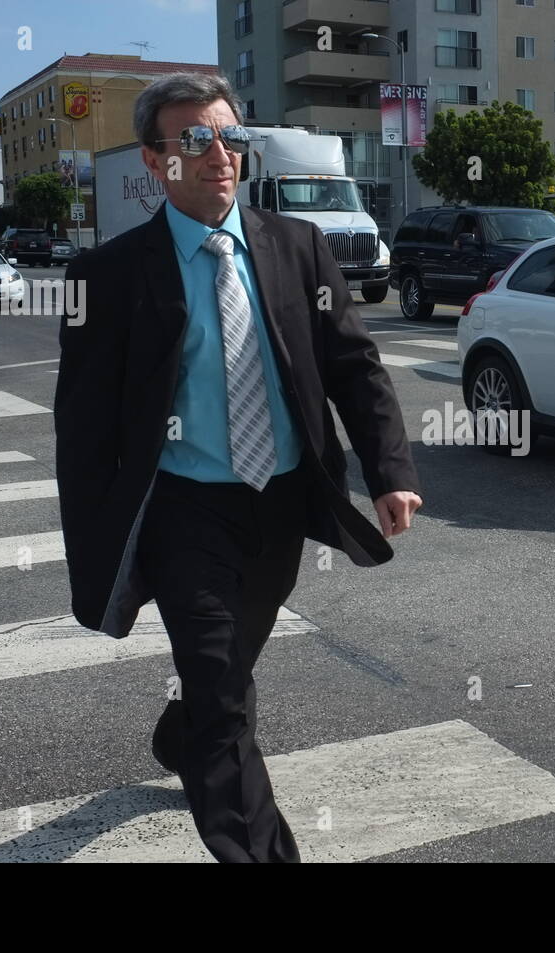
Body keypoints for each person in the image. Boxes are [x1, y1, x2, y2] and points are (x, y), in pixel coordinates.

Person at [53, 73, 423, 863]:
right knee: (226, 696)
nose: (219, 154)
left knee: (223, 675)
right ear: (157, 162)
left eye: (229, 136)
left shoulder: (298, 247)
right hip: (184, 511)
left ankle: (182, 731)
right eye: (194, 139)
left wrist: (390, 469)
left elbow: (354, 366)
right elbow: (82, 434)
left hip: (282, 502)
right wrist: (93, 545)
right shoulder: (108, 277)